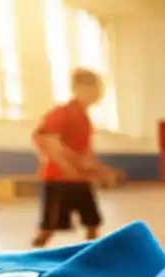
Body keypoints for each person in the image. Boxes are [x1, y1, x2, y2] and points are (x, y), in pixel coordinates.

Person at [31, 68, 115, 248]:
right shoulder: (62, 112)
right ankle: (30, 258)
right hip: (58, 180)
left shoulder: (85, 119)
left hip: (79, 180)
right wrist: (68, 166)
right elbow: (49, 141)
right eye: (92, 89)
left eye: (99, 89)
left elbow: (86, 151)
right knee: (48, 228)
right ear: (78, 88)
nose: (97, 94)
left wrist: (98, 169)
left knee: (93, 222)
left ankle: (91, 256)